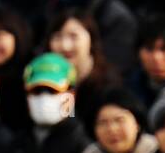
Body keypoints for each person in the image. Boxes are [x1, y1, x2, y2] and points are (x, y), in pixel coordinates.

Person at [47, 9, 122, 137]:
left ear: (91, 40)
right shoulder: (45, 80)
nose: (65, 46)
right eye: (58, 37)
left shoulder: (108, 84)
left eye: (73, 36)